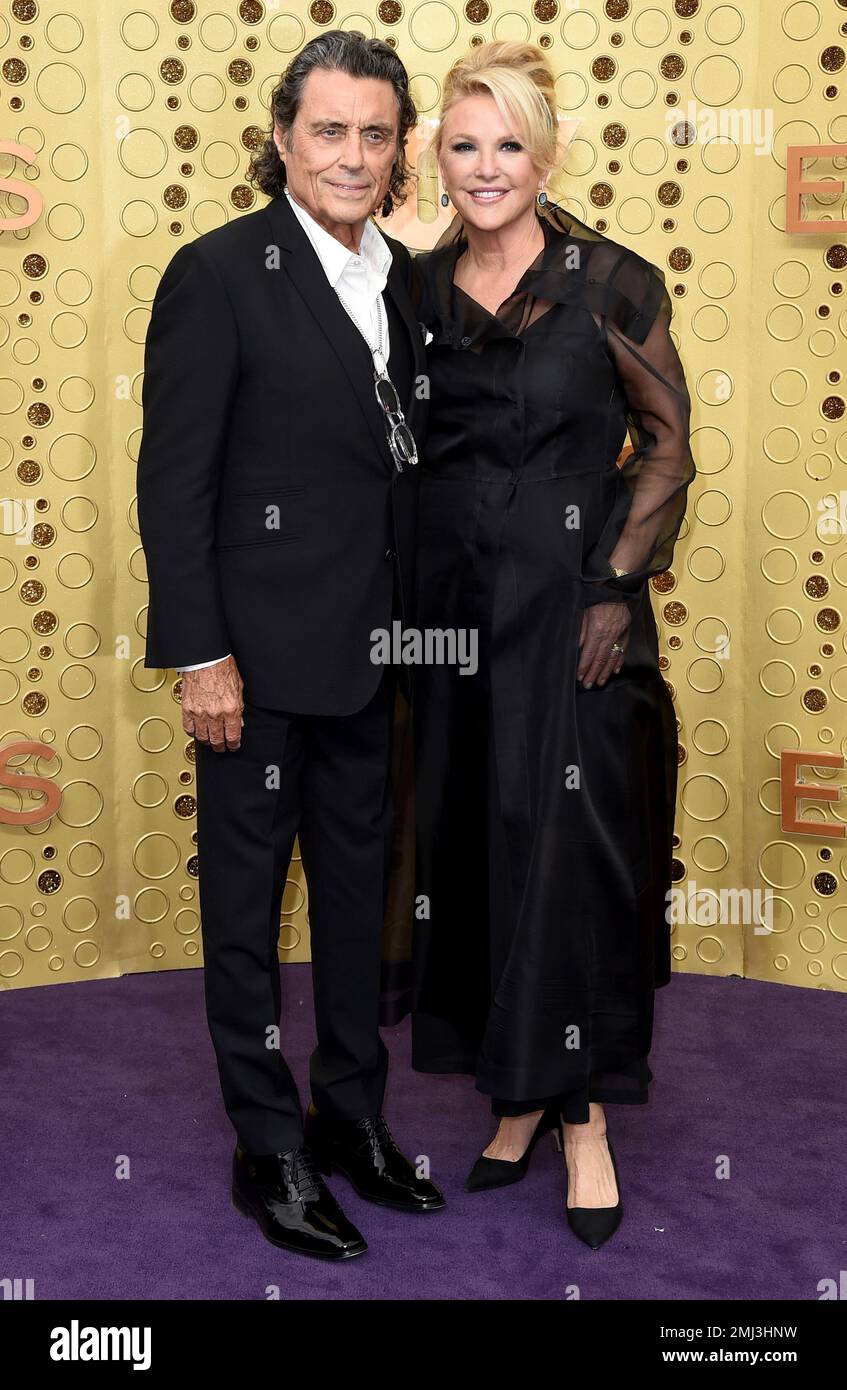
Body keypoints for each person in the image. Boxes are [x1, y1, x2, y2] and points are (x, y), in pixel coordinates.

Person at [136, 29, 444, 1264]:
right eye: (329, 130)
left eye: (377, 133)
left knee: (364, 905)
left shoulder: (406, 280)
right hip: (252, 673)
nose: (353, 156)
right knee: (247, 915)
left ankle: (351, 1121)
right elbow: (176, 483)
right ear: (280, 138)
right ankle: (266, 1149)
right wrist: (201, 654)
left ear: (398, 147)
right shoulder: (218, 274)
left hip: (377, 660)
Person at [409, 40, 696, 1249]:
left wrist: (611, 588)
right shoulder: (413, 292)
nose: (486, 168)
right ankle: (514, 1091)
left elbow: (668, 445)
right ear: (438, 157)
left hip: (574, 611)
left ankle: (582, 1117)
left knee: (571, 857)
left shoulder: (609, 283)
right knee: (476, 845)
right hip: (454, 617)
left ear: (547, 155)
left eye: (507, 145)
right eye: (464, 145)